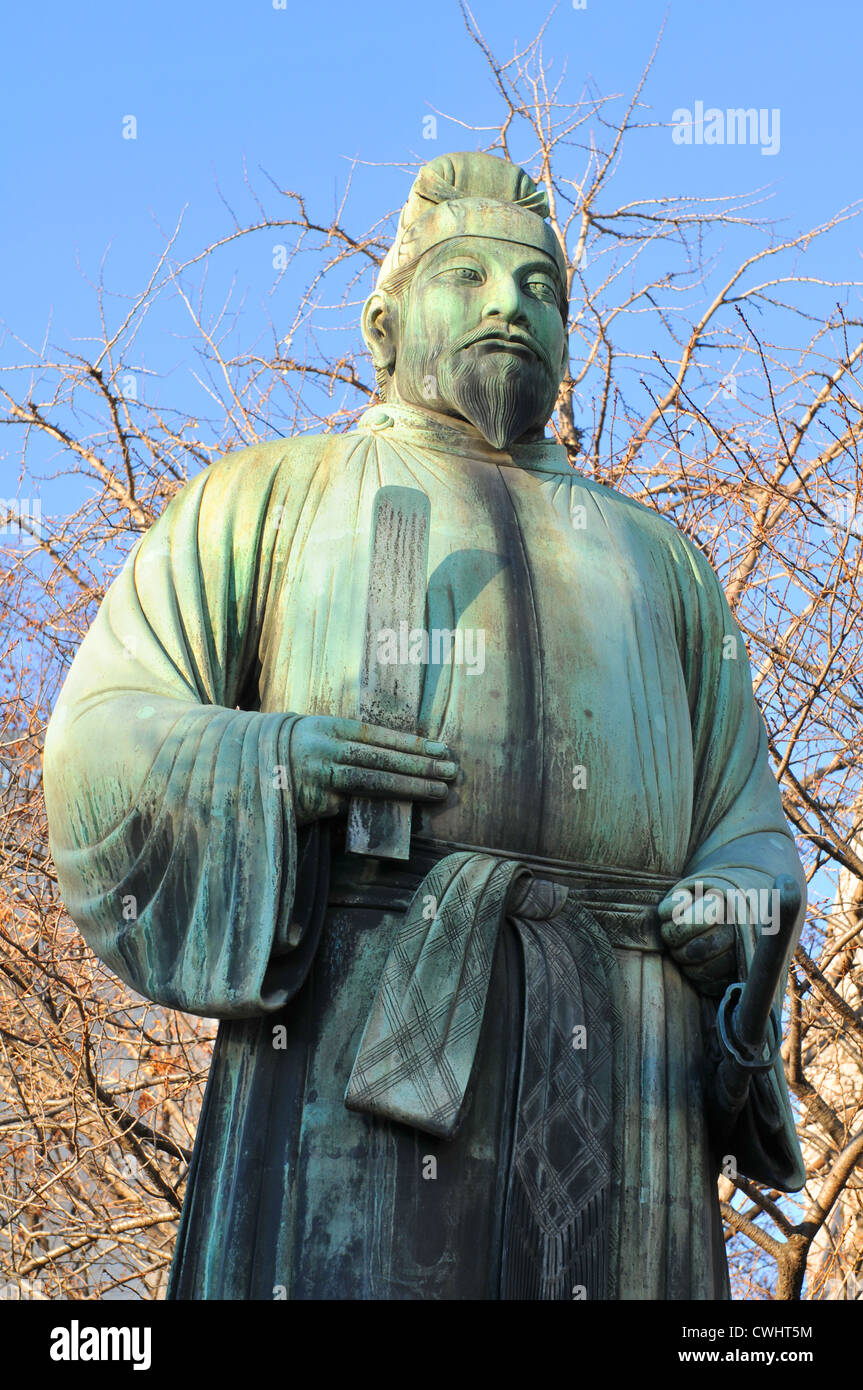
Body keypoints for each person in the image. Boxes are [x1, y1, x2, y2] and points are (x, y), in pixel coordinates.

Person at [43, 152, 805, 1300]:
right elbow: (101, 734)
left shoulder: (667, 564)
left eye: (539, 286)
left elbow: (749, 825)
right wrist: (273, 760)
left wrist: (735, 907)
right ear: (383, 321)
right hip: (356, 1025)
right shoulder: (267, 495)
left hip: (625, 1044)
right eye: (467, 274)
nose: (509, 302)